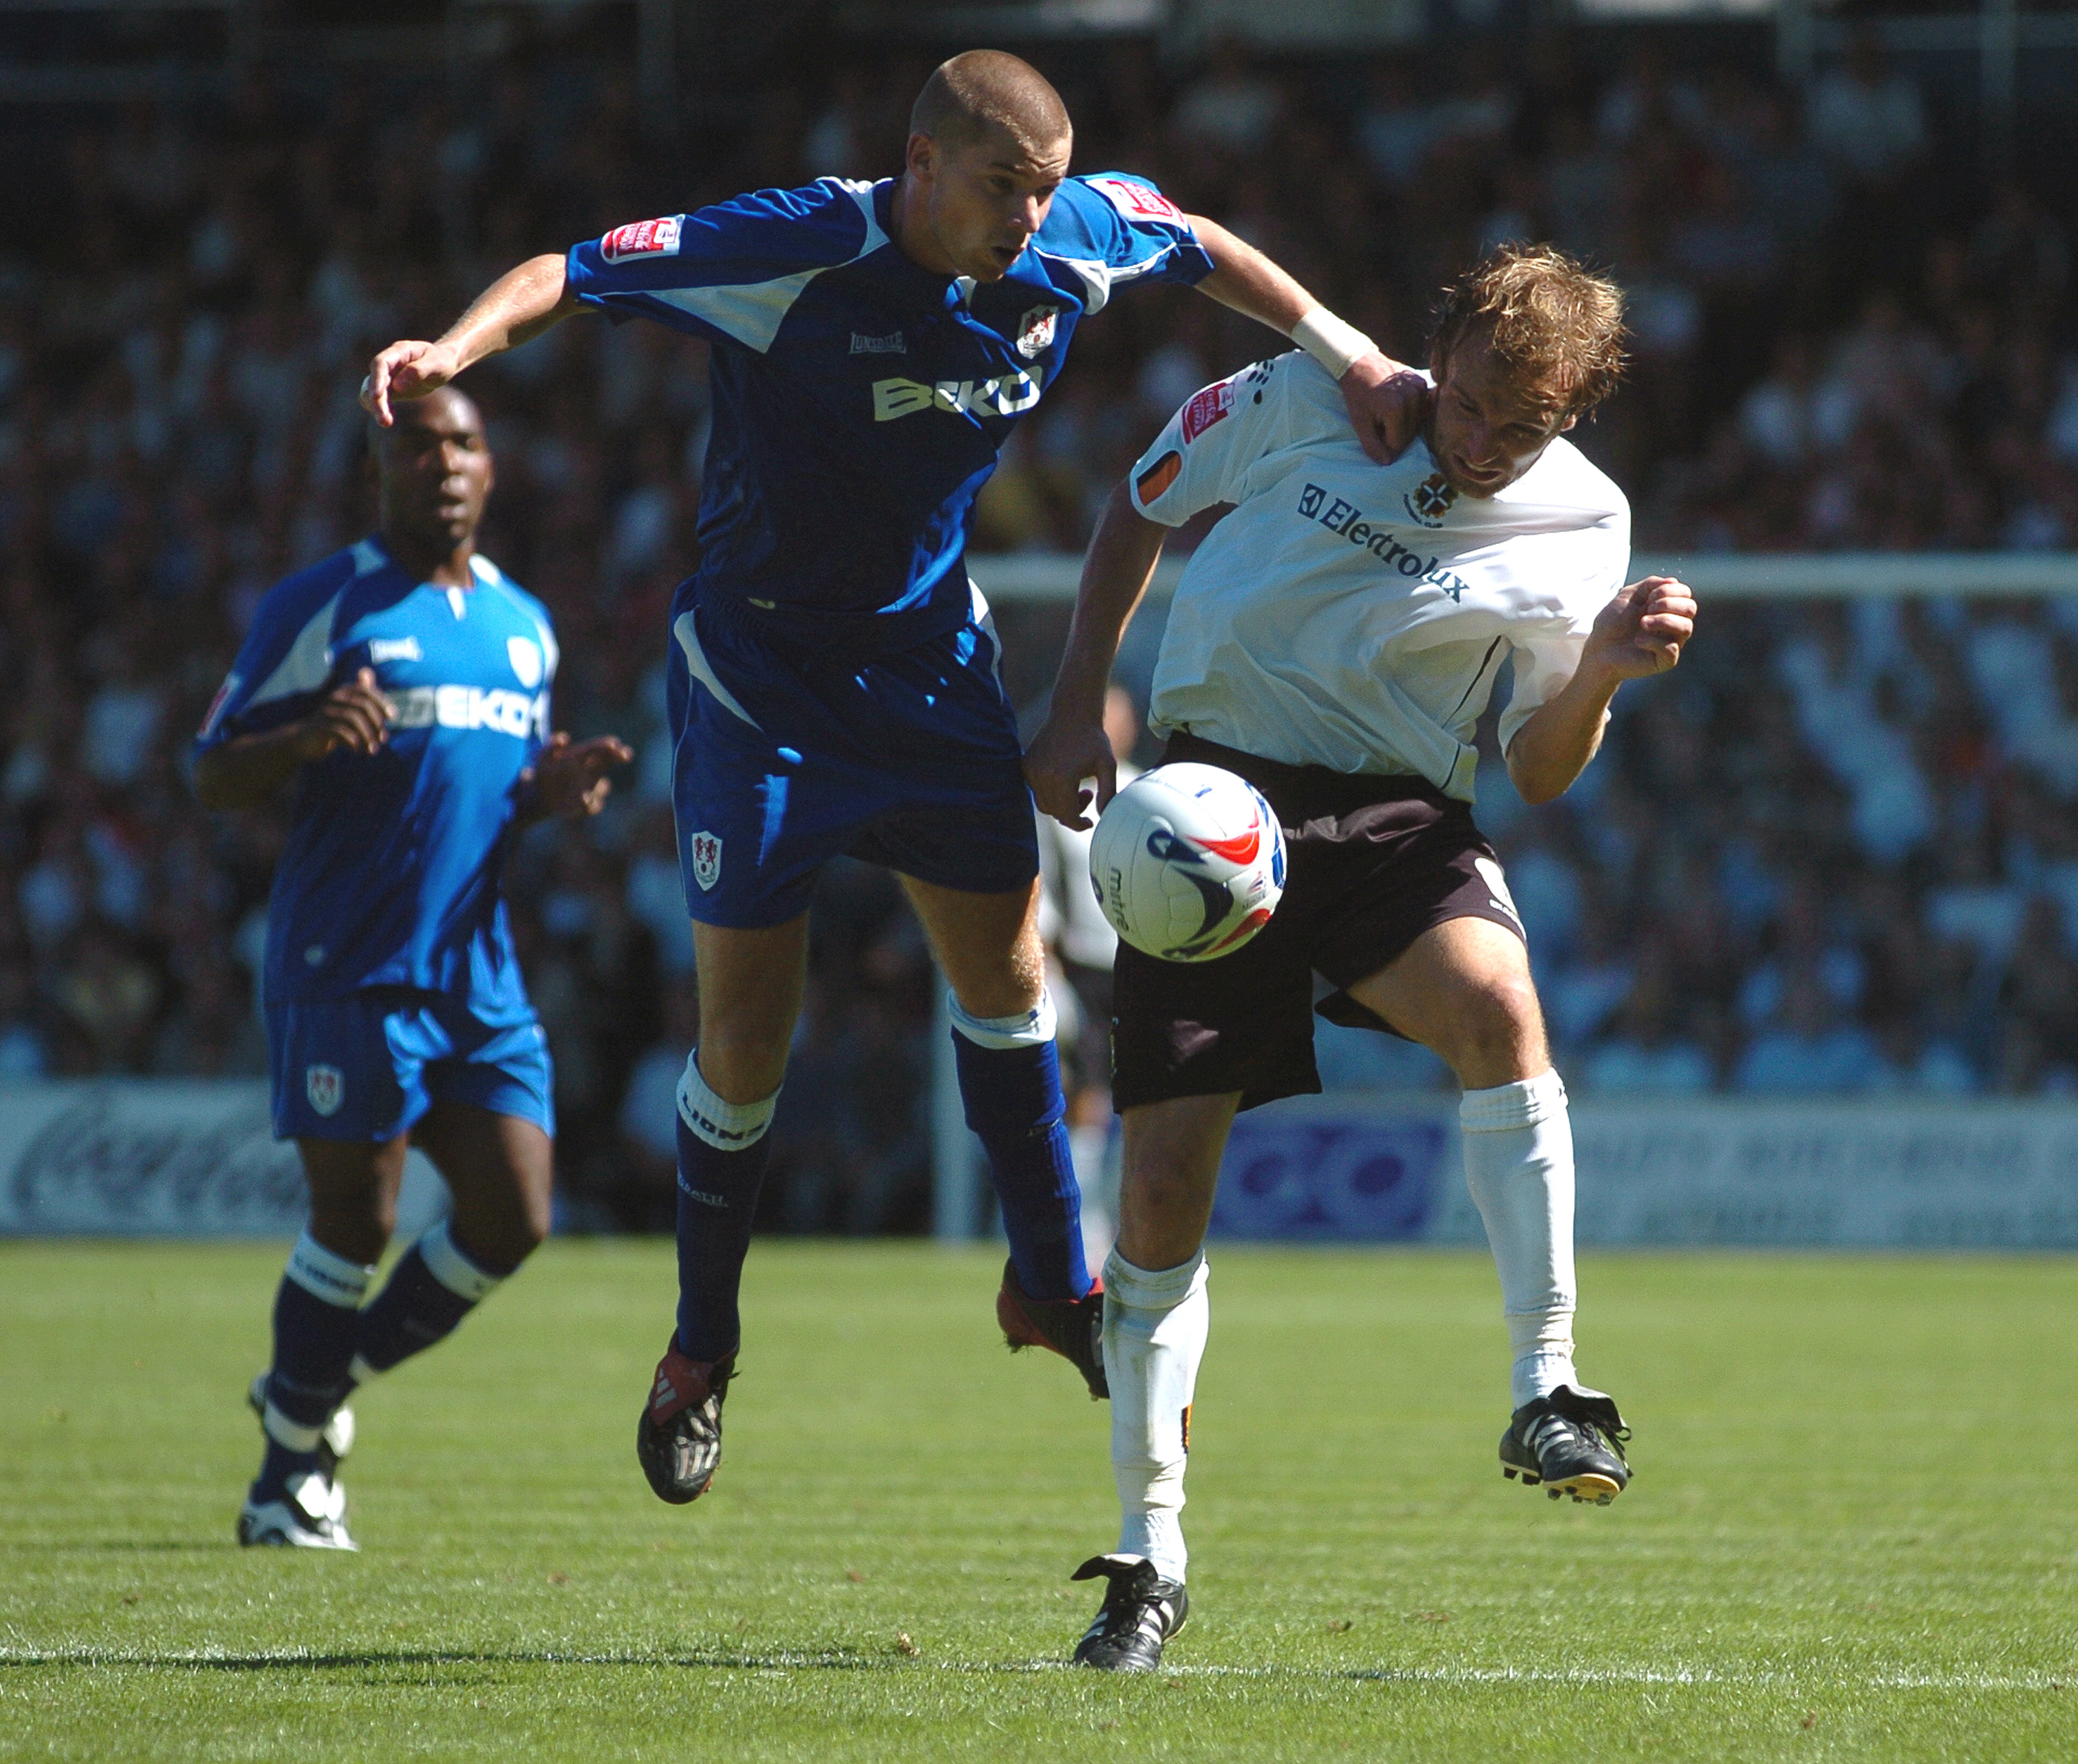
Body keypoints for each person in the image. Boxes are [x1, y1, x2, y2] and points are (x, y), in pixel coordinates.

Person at [361, 49, 1429, 1507]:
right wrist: (449, 349)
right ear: (919, 166)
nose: (1028, 218)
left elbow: (1198, 243)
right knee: (747, 1044)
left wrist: (1354, 357)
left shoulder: (1069, 236)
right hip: (761, 685)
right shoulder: (796, 243)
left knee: (1008, 983)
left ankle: (1050, 1285)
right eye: (1002, 188)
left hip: (927, 667)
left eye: (1045, 191)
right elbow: (573, 269)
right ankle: (700, 1344)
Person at [1026, 244, 1697, 1669]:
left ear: (1576, 414)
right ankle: (1149, 1553)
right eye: (1472, 405)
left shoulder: (1589, 520)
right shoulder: (1305, 395)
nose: (1484, 443)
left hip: (1397, 813)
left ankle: (1548, 1383)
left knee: (1501, 1009)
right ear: (1437, 353)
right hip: (1213, 809)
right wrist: (1079, 700)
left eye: (1524, 427)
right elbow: (1141, 502)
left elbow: (1537, 768)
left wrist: (1598, 670)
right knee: (1161, 1192)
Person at [194, 387, 629, 1549]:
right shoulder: (323, 603)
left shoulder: (526, 626)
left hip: (475, 973)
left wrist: (551, 789)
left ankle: (313, 1384)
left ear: (492, 469)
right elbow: (211, 770)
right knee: (358, 1218)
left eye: (464, 444)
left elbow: (491, 791)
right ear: (379, 469)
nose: (444, 462)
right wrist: (301, 736)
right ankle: (285, 1483)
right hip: (348, 959)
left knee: (514, 1217)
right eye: (420, 445)